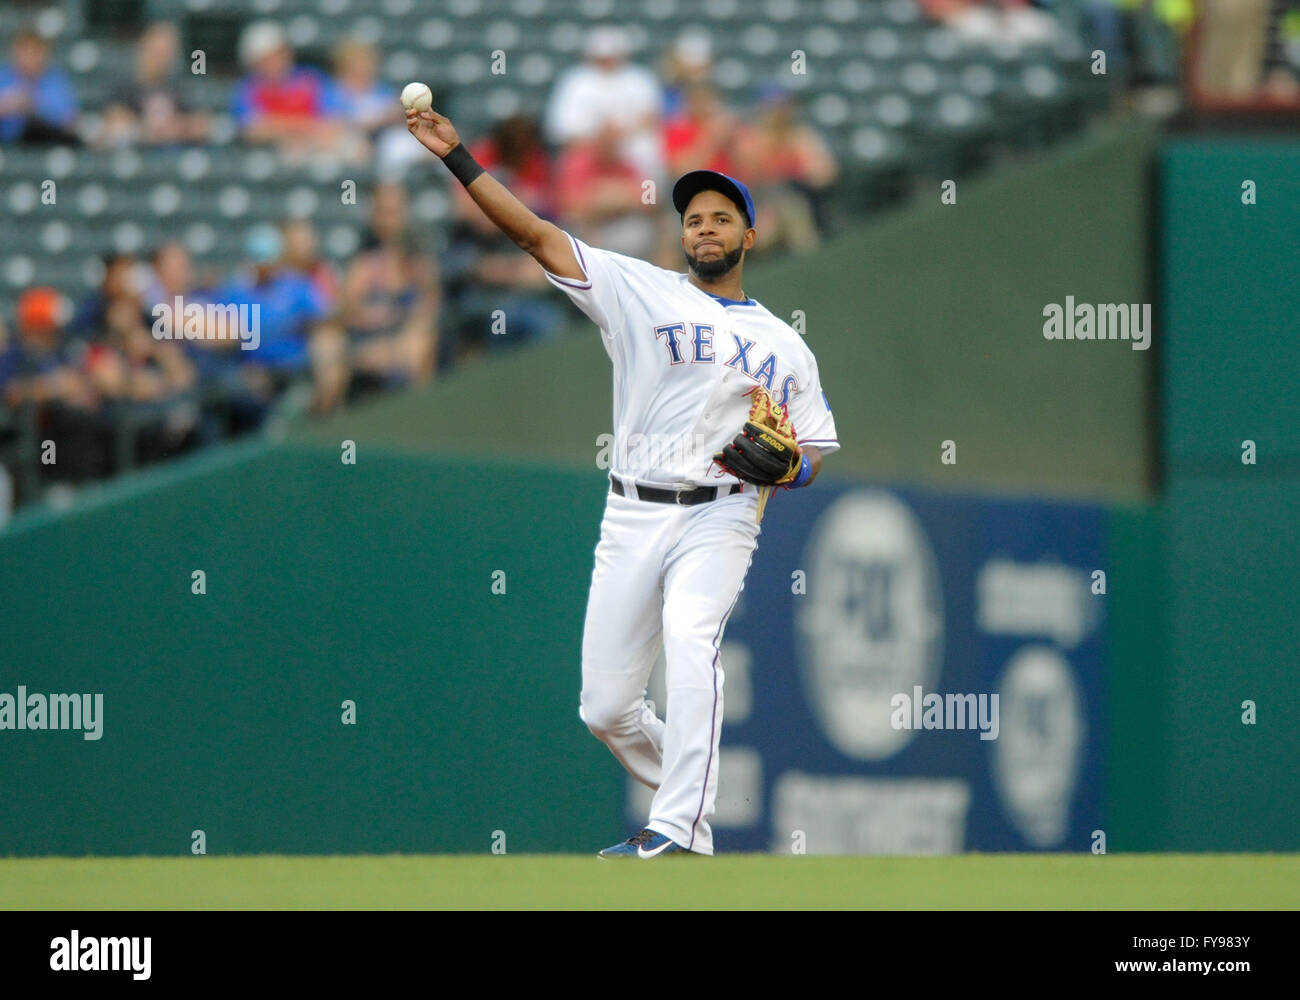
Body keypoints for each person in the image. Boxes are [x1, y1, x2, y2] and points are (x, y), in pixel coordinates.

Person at [406, 106, 840, 858]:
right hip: (632, 513)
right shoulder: (639, 289)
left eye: (721, 216)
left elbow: (815, 451)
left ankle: (678, 828)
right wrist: (461, 161)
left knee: (691, 638)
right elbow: (536, 235)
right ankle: (696, 787)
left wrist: (792, 467)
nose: (704, 227)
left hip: (723, 514)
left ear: (749, 234)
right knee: (606, 709)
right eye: (694, 217)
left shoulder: (785, 343)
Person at [99, 22, 209, 148]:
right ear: (143, 49)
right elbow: (115, 124)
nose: (162, 58)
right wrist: (151, 130)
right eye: (157, 51)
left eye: (167, 52)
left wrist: (173, 128)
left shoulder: (181, 86)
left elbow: (201, 124)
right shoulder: (123, 86)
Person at [0, 30, 78, 145]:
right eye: (25, 51)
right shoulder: (2, 76)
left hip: (44, 143)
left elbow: (70, 121)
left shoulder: (55, 80)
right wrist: (7, 106)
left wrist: (33, 105)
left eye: (35, 51)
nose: (29, 57)